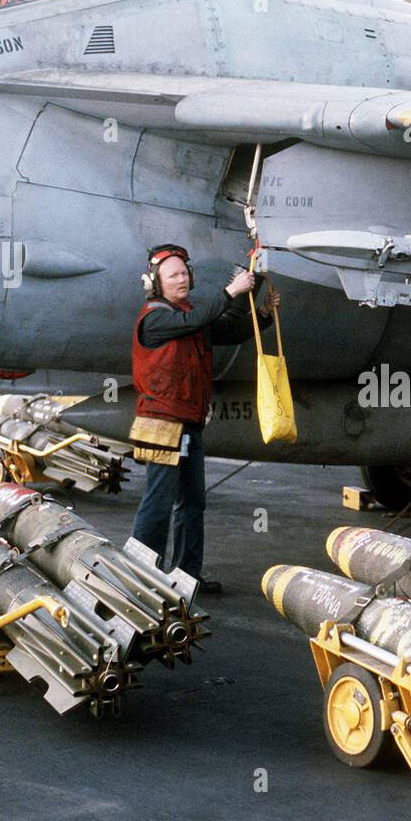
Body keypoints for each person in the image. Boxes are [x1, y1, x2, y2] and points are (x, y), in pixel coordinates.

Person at [129, 244, 279, 594]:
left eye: (183, 273)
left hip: (189, 425)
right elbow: (199, 319)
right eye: (173, 275)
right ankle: (138, 579)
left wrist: (263, 311)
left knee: (193, 504)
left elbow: (231, 330)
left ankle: (185, 578)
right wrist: (233, 289)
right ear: (155, 283)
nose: (181, 279)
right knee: (158, 503)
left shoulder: (188, 316)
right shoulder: (156, 317)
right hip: (161, 425)